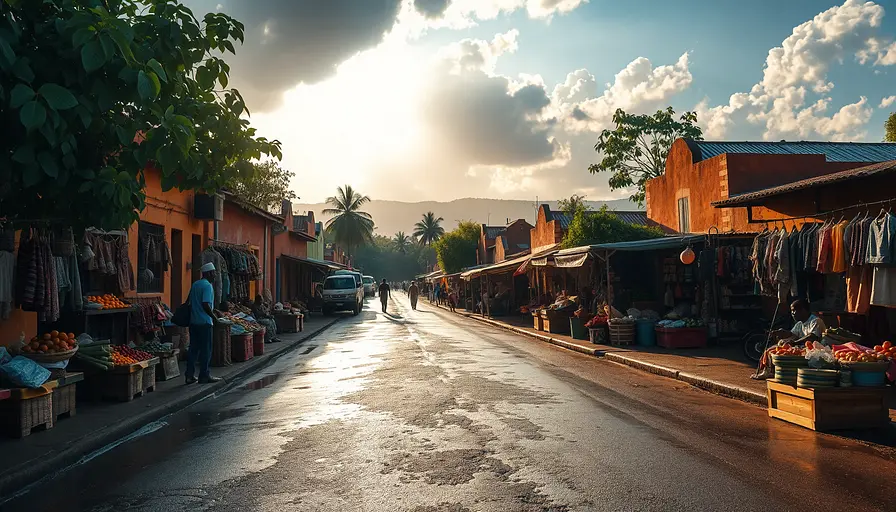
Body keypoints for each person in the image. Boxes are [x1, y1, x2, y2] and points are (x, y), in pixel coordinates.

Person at [752, 299, 826, 380]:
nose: (793, 313)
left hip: (815, 351)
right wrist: (781, 333)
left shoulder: (815, 321)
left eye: (794, 310)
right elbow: (792, 334)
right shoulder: (799, 323)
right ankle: (769, 371)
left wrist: (794, 342)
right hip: (801, 348)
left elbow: (812, 336)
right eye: (791, 311)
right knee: (771, 350)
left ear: (803, 310)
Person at [186, 262, 220, 384]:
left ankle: (189, 375)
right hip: (205, 322)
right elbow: (205, 304)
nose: (215, 275)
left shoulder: (195, 284)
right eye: (214, 272)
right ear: (209, 273)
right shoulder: (207, 286)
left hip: (193, 322)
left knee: (193, 349)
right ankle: (204, 375)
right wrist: (214, 316)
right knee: (206, 350)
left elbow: (190, 302)